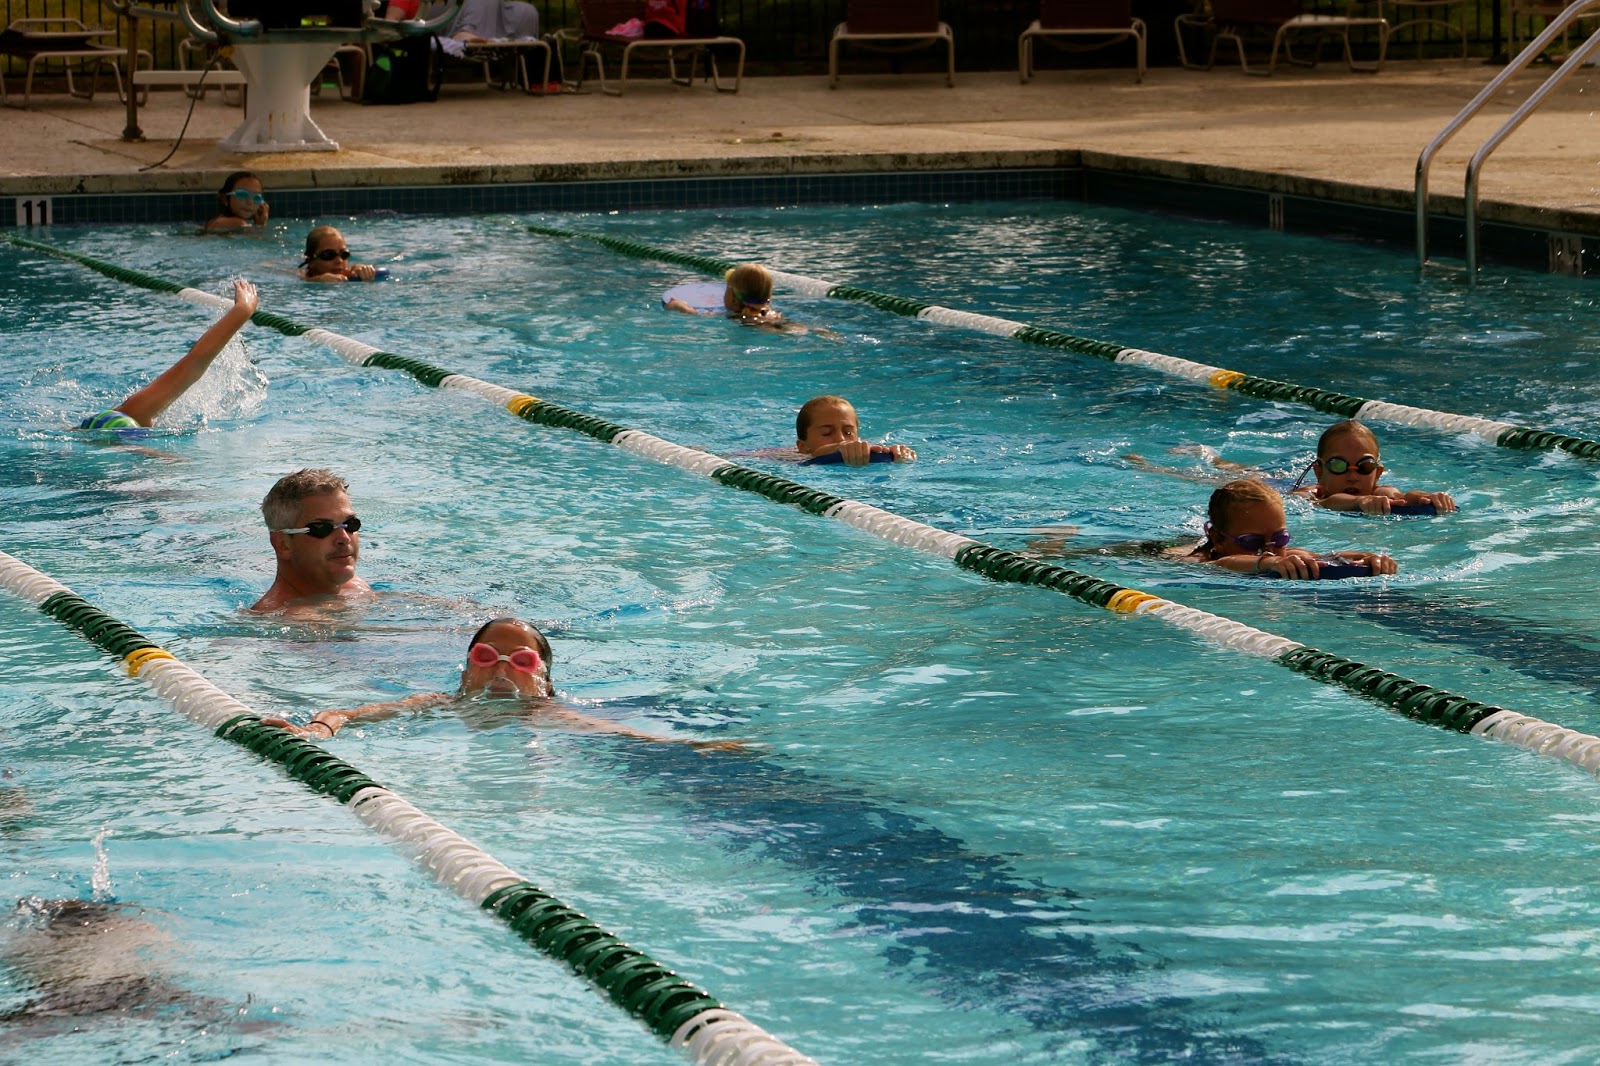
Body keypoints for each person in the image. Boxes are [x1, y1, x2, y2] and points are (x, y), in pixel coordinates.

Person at [261, 617, 743, 750]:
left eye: (522, 661)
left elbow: (618, 733)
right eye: (486, 657)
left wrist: (694, 746)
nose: (501, 670)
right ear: (466, 672)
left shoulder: (546, 712)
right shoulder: (439, 702)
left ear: (544, 684)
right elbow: (348, 713)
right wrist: (317, 730)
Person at [78, 280, 258, 431]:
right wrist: (243, 311)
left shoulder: (134, 414)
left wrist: (242, 311)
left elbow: (194, 363)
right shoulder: (133, 415)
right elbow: (195, 362)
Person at [1186, 479, 1397, 579]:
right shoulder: (1197, 563)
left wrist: (1368, 557)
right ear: (1217, 538)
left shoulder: (1284, 557)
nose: (1270, 550)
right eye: (1252, 542)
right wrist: (1270, 563)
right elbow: (1224, 563)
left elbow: (1323, 556)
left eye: (1280, 539)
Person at [250, 468, 373, 613]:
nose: (344, 538)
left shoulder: (352, 586)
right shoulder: (287, 617)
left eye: (350, 524)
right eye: (322, 528)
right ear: (283, 544)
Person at [1292, 420, 1457, 515]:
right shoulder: (1306, 496)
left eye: (1365, 466)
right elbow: (1325, 502)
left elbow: (1402, 497)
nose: (1352, 477)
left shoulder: (1379, 493)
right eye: (1338, 465)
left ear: (1377, 473)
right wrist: (1360, 501)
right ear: (1319, 472)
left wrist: (1426, 497)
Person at [796, 395, 916, 465]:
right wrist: (836, 448)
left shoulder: (871, 452)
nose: (841, 439)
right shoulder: (788, 459)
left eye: (848, 433)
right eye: (827, 433)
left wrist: (899, 456)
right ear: (802, 446)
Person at [299, 226, 379, 283]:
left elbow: (355, 269)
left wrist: (362, 269)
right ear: (311, 261)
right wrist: (319, 280)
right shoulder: (303, 275)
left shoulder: (349, 273)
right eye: (329, 254)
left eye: (344, 254)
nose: (339, 260)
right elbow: (302, 277)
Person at [204, 172, 269, 233]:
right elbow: (256, 239)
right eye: (242, 194)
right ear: (225, 199)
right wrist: (261, 225)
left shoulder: (215, 221)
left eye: (257, 197)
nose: (250, 202)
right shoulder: (239, 223)